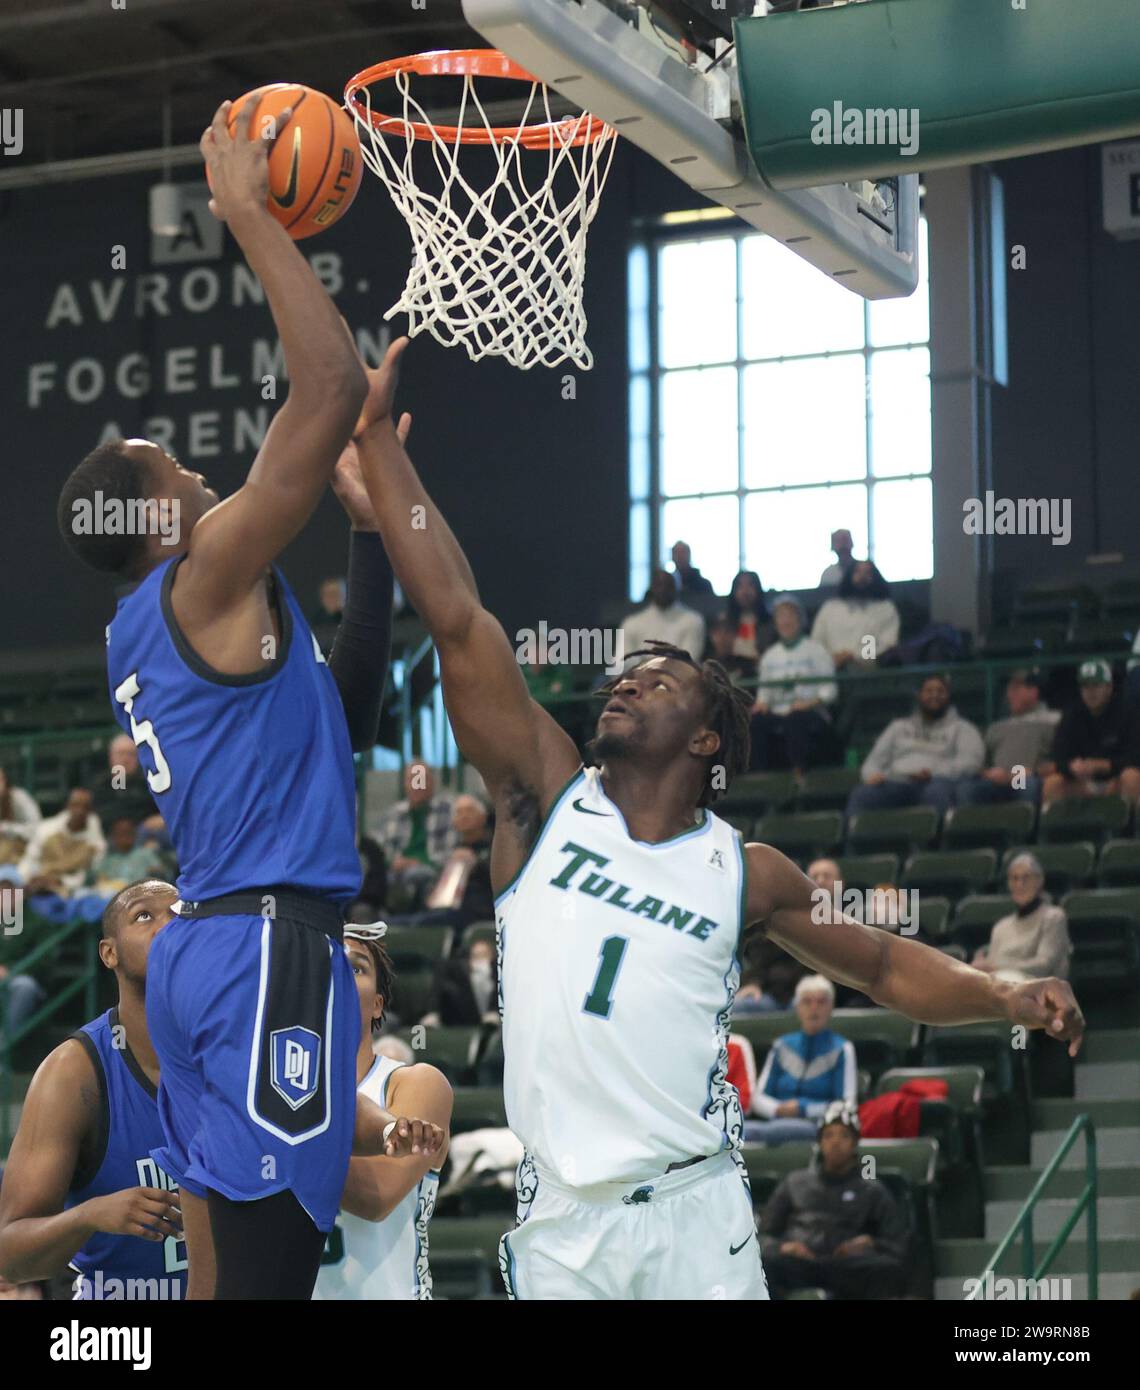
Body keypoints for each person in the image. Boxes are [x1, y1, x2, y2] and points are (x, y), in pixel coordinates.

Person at [347, 334, 1082, 1302]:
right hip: (565, 1221)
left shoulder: (749, 870)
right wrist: (382, 446)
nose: (628, 682)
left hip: (700, 1216)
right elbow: (458, 617)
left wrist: (1003, 993)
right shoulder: (543, 797)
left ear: (705, 742)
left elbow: (886, 964)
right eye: (627, 672)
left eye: (659, 680)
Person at [53, 94, 440, 1300]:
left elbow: (352, 724)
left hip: (215, 953)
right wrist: (249, 213)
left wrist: (370, 539)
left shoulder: (162, 632)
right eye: (173, 466)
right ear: (148, 518)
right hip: (268, 951)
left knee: (226, 1291)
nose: (197, 464)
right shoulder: (202, 574)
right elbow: (324, 390)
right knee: (271, 1285)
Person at [0, 880, 187, 1300]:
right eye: (145, 916)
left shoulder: (235, 1053)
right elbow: (10, 1255)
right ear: (109, 953)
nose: (167, 926)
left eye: (179, 915)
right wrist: (89, 1216)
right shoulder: (73, 1072)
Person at [314, 925, 452, 1301]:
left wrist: (268, 1130)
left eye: (356, 968)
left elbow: (375, 1197)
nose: (339, 973)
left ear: (377, 1003)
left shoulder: (415, 1083)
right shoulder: (265, 1090)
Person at [759, 1101, 908, 1300]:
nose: (835, 1142)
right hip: (800, 1264)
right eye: (829, 1135)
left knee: (885, 1269)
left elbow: (897, 1244)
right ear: (820, 1142)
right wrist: (784, 1247)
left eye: (844, 1135)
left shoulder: (872, 1190)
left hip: (846, 1267)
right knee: (765, 1264)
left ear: (855, 1143)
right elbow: (763, 1236)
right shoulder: (794, 1182)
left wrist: (870, 1243)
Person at [846, 674, 985, 816]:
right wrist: (872, 775)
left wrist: (934, 773)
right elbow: (873, 761)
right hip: (897, 782)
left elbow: (971, 763)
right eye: (929, 691)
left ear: (948, 696)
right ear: (919, 696)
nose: (934, 695)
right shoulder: (898, 726)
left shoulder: (963, 728)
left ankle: (940, 838)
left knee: (937, 793)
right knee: (862, 795)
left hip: (937, 782)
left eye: (940, 691)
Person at [744, 977, 856, 1145]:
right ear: (797, 1007)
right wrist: (778, 1109)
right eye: (807, 1002)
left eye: (821, 1002)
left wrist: (804, 1109)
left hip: (819, 1124)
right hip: (775, 1120)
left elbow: (847, 1104)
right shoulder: (781, 1046)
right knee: (736, 1133)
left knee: (782, 1130)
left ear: (831, 1007)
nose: (814, 1008)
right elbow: (758, 1098)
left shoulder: (842, 1048)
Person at [750, 595, 840, 772]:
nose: (785, 621)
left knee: (796, 719)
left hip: (810, 712)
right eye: (780, 616)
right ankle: (758, 775)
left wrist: (808, 704)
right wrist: (761, 705)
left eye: (790, 615)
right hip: (778, 712)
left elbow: (830, 691)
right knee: (754, 722)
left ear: (800, 619)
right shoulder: (769, 656)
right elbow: (764, 695)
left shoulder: (816, 651)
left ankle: (799, 773)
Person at [1043, 659, 1140, 807]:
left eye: (1096, 685)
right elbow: (1057, 758)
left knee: (1131, 777)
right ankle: (1060, 830)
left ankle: (1131, 829)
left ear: (1109, 687)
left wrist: (1103, 765)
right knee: (1053, 783)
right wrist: (1071, 767)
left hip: (1116, 779)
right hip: (1082, 783)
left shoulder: (1127, 712)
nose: (1090, 692)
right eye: (1086, 687)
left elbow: (1135, 758)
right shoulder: (1072, 715)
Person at [961, 669, 1059, 806]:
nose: (1009, 695)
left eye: (1015, 689)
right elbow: (981, 762)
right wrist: (988, 773)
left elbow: (1062, 760)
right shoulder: (997, 727)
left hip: (1026, 776)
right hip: (997, 778)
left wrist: (1034, 772)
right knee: (967, 788)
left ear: (1033, 692)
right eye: (1008, 690)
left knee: (1027, 785)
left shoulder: (1053, 720)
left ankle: (1023, 827)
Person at [973, 854, 1072, 983]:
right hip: (1002, 990)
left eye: (1026, 877)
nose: (1020, 884)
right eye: (1014, 878)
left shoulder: (1053, 917)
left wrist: (996, 967)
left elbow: (1045, 965)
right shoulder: (1001, 927)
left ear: (1039, 881)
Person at [375, 762, 458, 911]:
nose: (417, 784)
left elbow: (453, 851)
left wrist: (418, 862)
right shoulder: (393, 814)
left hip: (434, 873)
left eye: (422, 778)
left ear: (433, 782)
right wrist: (393, 862)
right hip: (395, 877)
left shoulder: (449, 810)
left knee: (418, 875)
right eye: (412, 779)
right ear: (405, 784)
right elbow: (381, 853)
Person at [812, 560, 900, 670]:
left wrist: (854, 656)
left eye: (868, 573)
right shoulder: (830, 608)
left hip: (871, 674)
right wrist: (833, 659)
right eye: (857, 572)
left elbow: (887, 644)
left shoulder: (885, 608)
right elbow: (817, 642)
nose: (862, 577)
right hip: (831, 674)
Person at [17, 788, 106, 897]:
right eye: (76, 805)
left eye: (85, 807)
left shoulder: (95, 843)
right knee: (7, 887)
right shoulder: (46, 830)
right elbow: (29, 860)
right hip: (36, 881)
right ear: (68, 806)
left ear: (90, 810)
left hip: (68, 890)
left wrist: (61, 882)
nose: (80, 811)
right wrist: (25, 880)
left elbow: (89, 874)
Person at [620, 567, 706, 663]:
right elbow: (621, 663)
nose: (663, 590)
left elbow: (688, 661)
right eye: (659, 585)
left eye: (668, 585)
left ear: (677, 587)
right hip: (638, 677)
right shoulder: (631, 624)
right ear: (651, 587)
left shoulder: (693, 621)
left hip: (677, 677)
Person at [422, 936, 500, 1027]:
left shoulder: (500, 976)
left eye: (484, 955)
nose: (480, 960)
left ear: (493, 957)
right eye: (475, 956)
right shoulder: (461, 983)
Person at [90, 817, 165, 895]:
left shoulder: (145, 853)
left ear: (134, 834)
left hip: (139, 893)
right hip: (111, 894)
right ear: (113, 837)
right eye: (120, 833)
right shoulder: (108, 858)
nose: (124, 837)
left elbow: (159, 873)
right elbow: (100, 878)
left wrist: (155, 872)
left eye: (127, 832)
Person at [726, 569, 774, 665]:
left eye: (750, 585)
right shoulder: (726, 623)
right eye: (740, 586)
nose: (745, 591)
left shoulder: (770, 623)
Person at [0, 769, 41, 868]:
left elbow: (38, 829)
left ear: (5, 781)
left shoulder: (20, 798)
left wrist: (6, 828)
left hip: (24, 847)